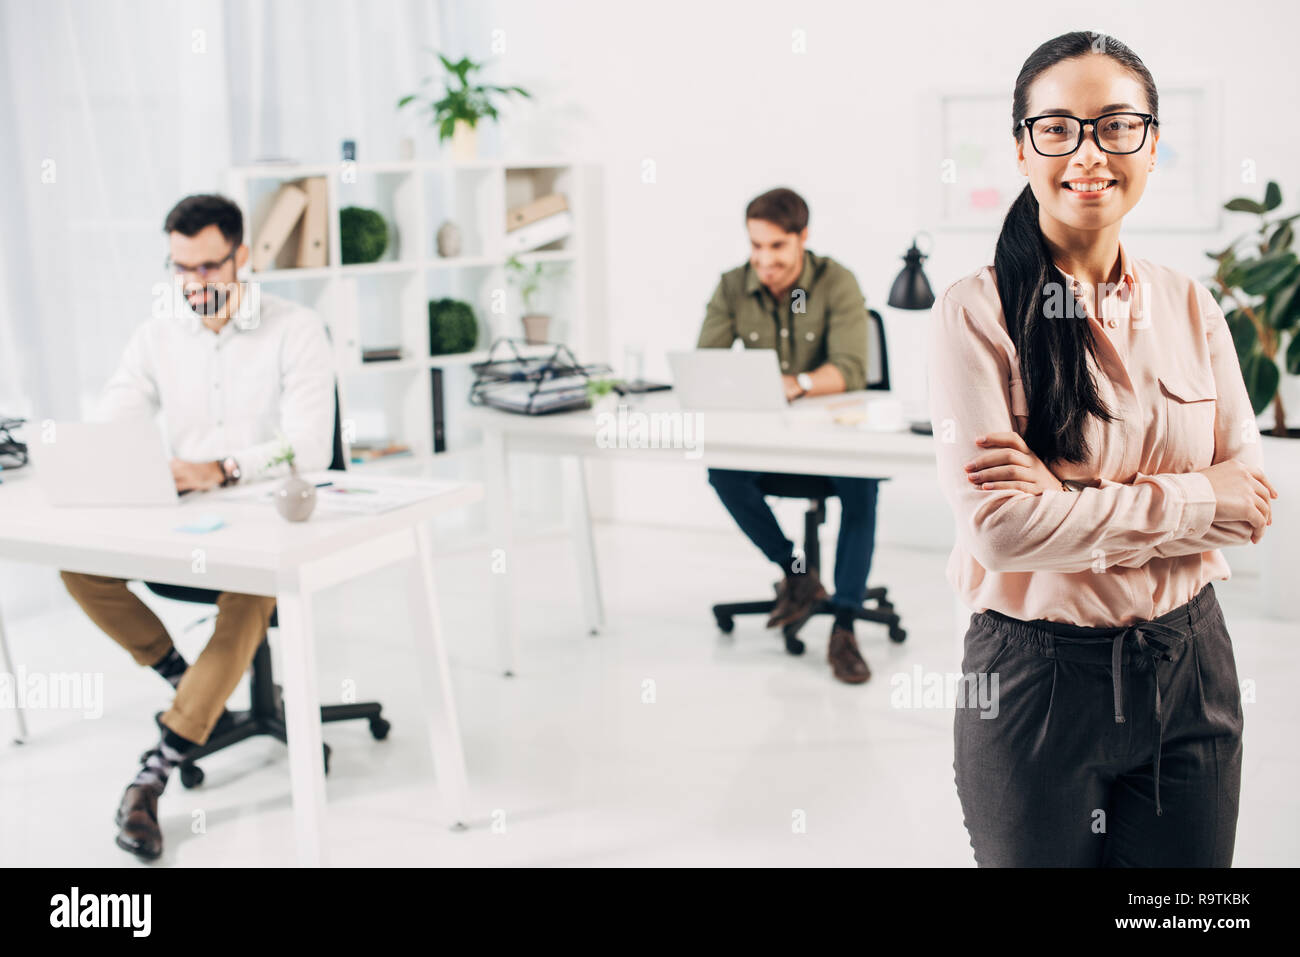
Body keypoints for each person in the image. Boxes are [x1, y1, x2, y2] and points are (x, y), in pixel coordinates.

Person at [929, 31, 1279, 866]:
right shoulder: (976, 315)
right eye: (1059, 128)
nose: (1089, 152)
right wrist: (1197, 499)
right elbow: (1002, 531)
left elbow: (1254, 502)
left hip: (1190, 664)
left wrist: (1064, 503)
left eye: (1116, 125)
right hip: (1033, 682)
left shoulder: (1191, 304)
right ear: (1023, 148)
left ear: (1152, 144)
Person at [59, 194, 336, 860]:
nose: (195, 284)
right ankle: (192, 684)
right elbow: (113, 419)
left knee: (248, 599)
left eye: (210, 267)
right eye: (181, 268)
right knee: (79, 567)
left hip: (268, 519)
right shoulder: (157, 336)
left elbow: (311, 448)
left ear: (242, 256)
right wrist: (97, 452)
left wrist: (224, 466)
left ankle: (151, 776)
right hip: (185, 520)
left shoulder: (296, 329)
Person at [698, 187, 879, 684]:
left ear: (803, 238)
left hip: (831, 438)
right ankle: (798, 574)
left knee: (860, 487)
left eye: (776, 247)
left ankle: (844, 623)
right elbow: (706, 365)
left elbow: (851, 369)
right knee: (723, 471)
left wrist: (795, 384)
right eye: (756, 247)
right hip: (770, 441)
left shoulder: (835, 281)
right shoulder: (733, 286)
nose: (764, 260)